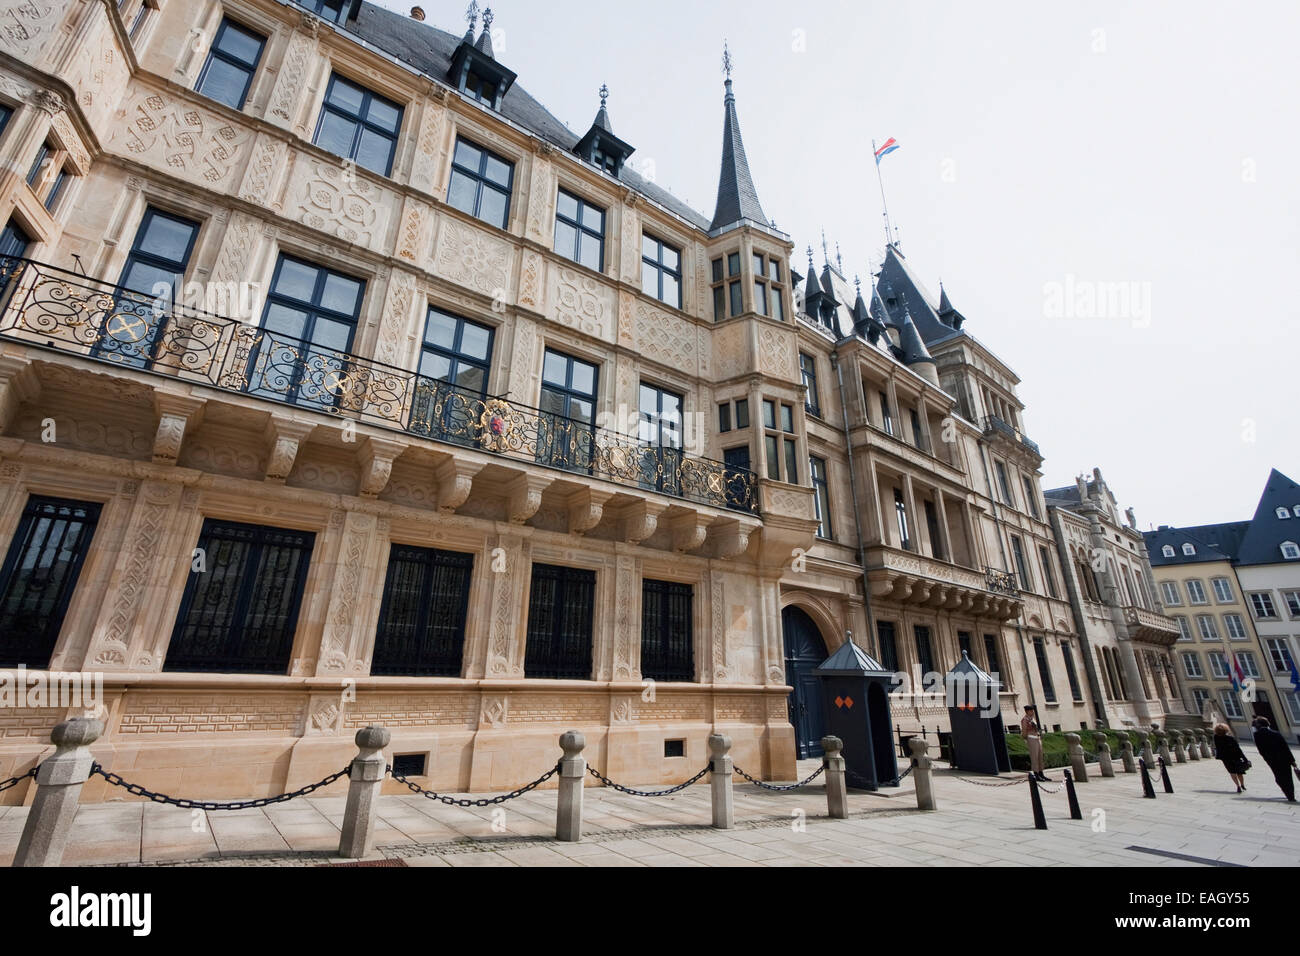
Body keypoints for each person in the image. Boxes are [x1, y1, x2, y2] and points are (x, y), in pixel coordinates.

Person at [1251, 716, 1297, 803]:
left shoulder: (1257, 735)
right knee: (1288, 777)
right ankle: (1291, 795)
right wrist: (1292, 761)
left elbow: (1261, 750)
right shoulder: (1276, 733)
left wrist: (1267, 759)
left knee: (1278, 776)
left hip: (1272, 760)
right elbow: (1285, 748)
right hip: (1284, 759)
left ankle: (1286, 792)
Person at [1212, 723, 1249, 793]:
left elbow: (1217, 747)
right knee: (1239, 772)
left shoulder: (1216, 737)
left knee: (1232, 772)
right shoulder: (1230, 738)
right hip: (1235, 757)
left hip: (1225, 758)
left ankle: (1238, 786)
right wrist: (1245, 759)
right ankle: (1242, 784)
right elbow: (1238, 749)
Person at [1020, 704, 1051, 781]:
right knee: (1034, 757)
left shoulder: (1032, 719)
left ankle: (1041, 773)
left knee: (1040, 757)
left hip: (1037, 738)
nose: (1033, 712)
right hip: (1031, 738)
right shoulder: (1025, 720)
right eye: (1031, 711)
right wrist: (1026, 739)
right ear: (1027, 711)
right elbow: (1024, 731)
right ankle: (1036, 774)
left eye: (1032, 710)